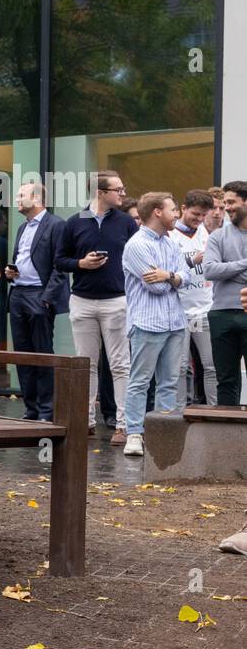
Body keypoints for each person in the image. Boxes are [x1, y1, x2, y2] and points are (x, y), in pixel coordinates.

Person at [54, 170, 138, 442]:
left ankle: (124, 426)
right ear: (101, 192)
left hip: (117, 300)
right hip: (82, 301)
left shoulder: (126, 223)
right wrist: (81, 263)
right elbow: (59, 261)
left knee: (121, 365)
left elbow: (138, 259)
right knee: (86, 364)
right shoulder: (74, 223)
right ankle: (85, 423)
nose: (123, 194)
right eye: (118, 189)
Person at [119, 192, 193, 457]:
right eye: (173, 210)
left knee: (169, 382)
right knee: (140, 381)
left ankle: (161, 434)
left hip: (175, 322)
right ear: (157, 212)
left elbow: (184, 278)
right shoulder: (137, 245)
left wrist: (170, 275)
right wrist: (171, 278)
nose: (177, 214)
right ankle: (135, 434)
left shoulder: (171, 243)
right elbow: (158, 287)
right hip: (148, 322)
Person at [4, 182, 70, 420]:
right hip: (18, 294)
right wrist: (10, 273)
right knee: (22, 355)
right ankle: (30, 408)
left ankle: (46, 410)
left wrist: (47, 299)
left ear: (37, 198)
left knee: (42, 354)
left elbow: (60, 267)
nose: (17, 200)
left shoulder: (56, 225)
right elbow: (21, 260)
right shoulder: (22, 228)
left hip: (39, 296)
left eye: (21, 195)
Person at [169, 189, 217, 408]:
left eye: (202, 215)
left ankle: (217, 411)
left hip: (204, 310)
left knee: (211, 366)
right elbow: (164, 271)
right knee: (179, 368)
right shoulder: (170, 235)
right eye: (195, 214)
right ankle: (178, 416)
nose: (198, 219)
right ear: (183, 209)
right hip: (179, 311)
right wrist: (191, 261)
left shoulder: (208, 233)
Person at [203, 181, 247, 407]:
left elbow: (220, 269)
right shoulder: (217, 237)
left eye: (231, 202)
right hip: (221, 314)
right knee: (226, 379)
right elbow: (210, 270)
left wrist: (228, 268)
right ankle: (226, 435)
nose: (226, 208)